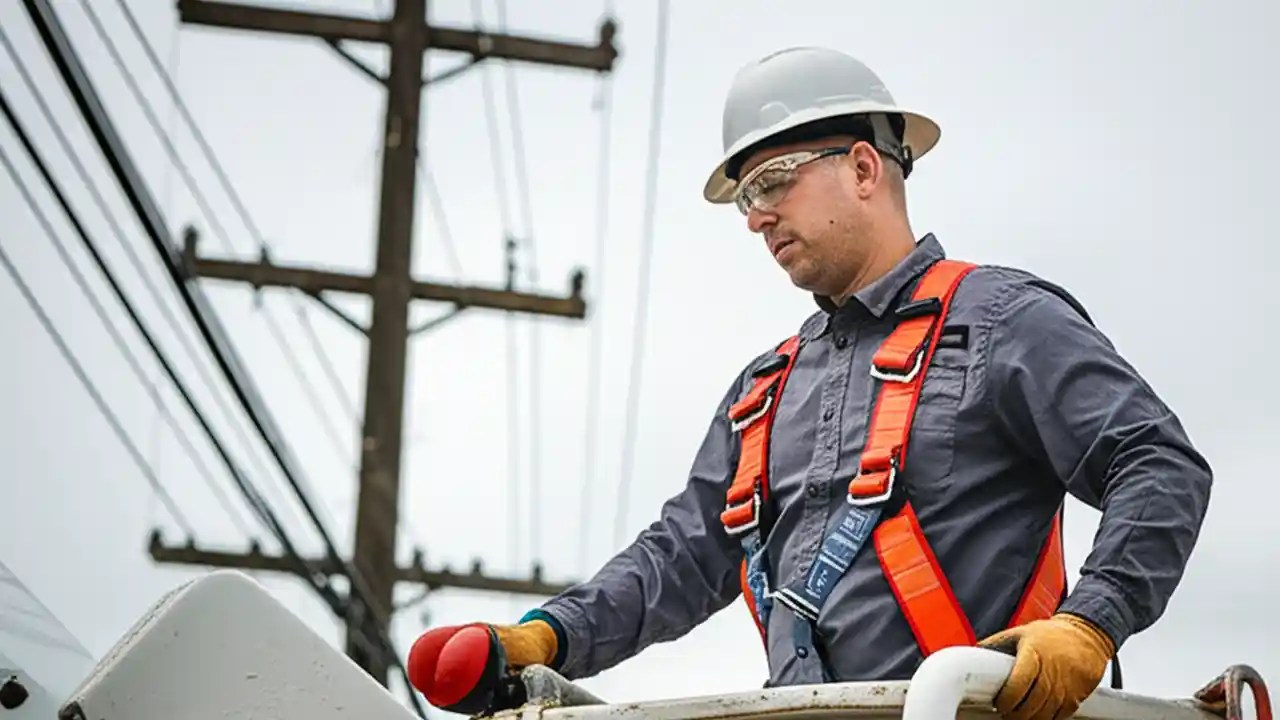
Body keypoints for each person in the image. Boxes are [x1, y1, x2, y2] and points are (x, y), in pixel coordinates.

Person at [405, 47, 1213, 720]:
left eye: (773, 181)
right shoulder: (766, 392)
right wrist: (548, 636)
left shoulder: (1003, 321)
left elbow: (1157, 463)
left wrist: (1089, 625)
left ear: (864, 168)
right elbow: (683, 556)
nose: (756, 216)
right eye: (746, 199)